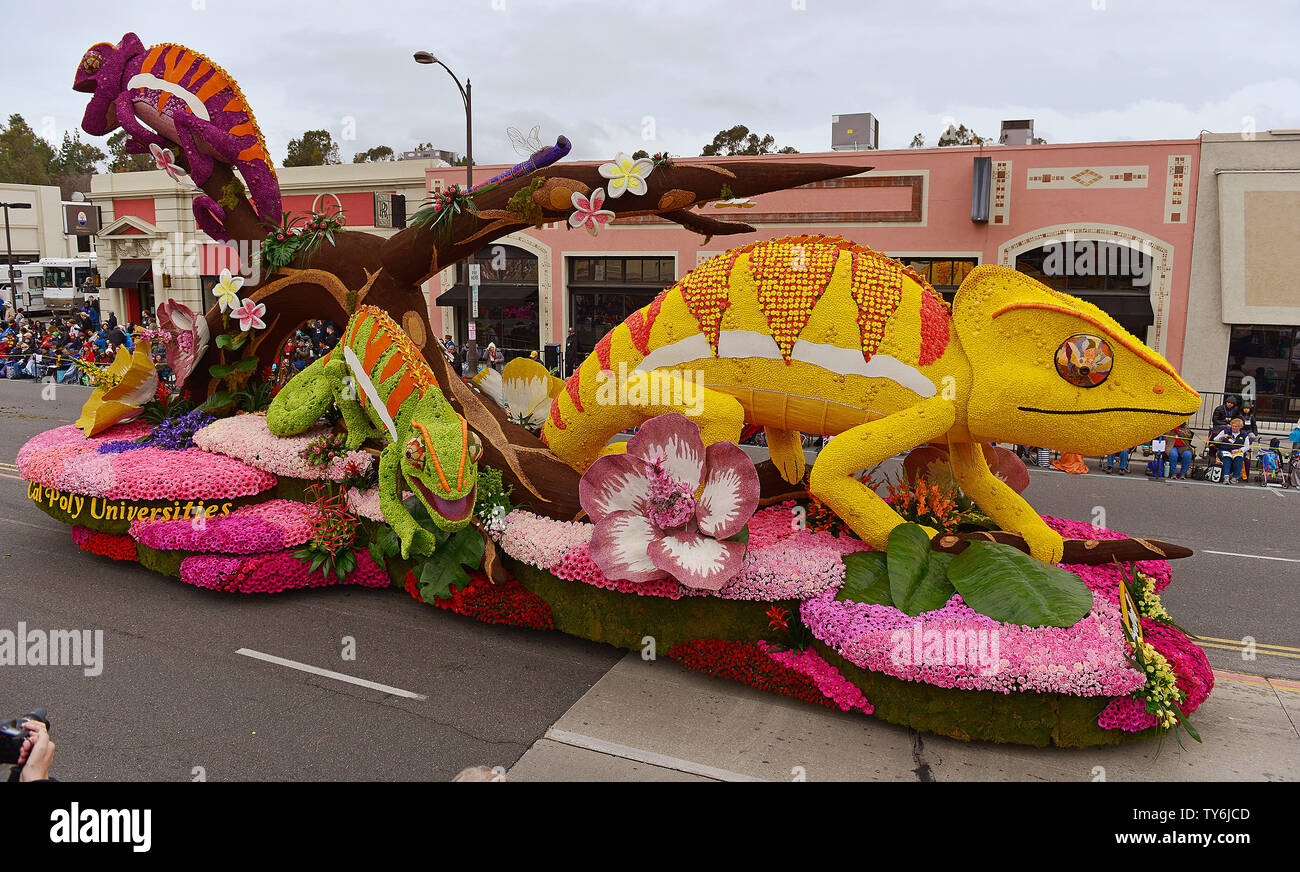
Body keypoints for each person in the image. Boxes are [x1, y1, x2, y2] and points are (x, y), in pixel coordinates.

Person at [1211, 417, 1252, 484]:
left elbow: (1247, 446)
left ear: (1240, 427)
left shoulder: (1244, 434)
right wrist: (1222, 437)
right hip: (1225, 450)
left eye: (1236, 426)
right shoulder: (1225, 431)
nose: (1233, 427)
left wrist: (1239, 450)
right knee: (1227, 458)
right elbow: (1215, 440)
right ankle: (1226, 477)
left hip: (1237, 451)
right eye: (1232, 426)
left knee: (1238, 458)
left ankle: (1235, 477)